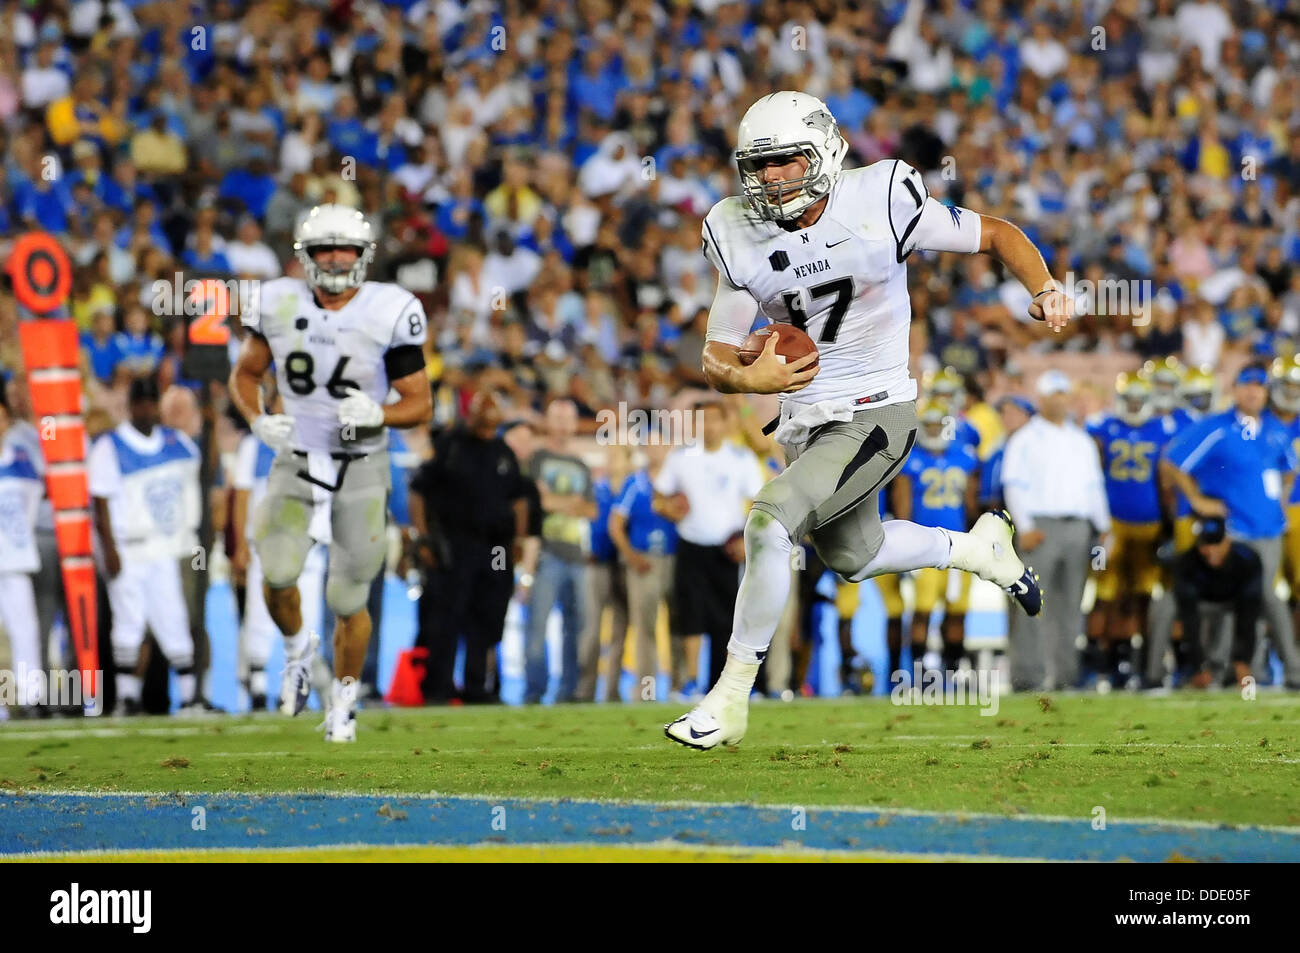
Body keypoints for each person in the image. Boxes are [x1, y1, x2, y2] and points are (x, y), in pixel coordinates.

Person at [666, 92, 1070, 749]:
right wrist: (744, 377)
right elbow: (715, 349)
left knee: (770, 520)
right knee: (855, 554)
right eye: (758, 166)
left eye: (786, 162)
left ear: (823, 153)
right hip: (804, 418)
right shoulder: (734, 227)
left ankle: (730, 698)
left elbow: (993, 233)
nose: (770, 179)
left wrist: (1045, 285)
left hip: (877, 409)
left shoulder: (884, 196)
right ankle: (976, 550)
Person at [228, 204, 433, 741]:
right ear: (306, 256)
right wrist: (257, 418)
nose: (337, 259)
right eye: (325, 249)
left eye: (346, 249)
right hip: (297, 452)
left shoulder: (392, 309)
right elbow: (246, 375)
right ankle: (298, 653)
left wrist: (379, 413)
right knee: (273, 571)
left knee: (348, 597)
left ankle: (342, 703)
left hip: (361, 460)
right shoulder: (275, 300)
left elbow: (421, 404)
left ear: (364, 255)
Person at [1163, 362, 1300, 687]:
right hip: (1234, 531)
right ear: (1235, 390)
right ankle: (1243, 670)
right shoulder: (1217, 427)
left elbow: (1288, 468)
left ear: (1267, 392)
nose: (1254, 391)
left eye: (1259, 386)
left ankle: (1243, 669)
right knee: (1247, 599)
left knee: (1258, 599)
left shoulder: (1275, 429)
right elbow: (1172, 460)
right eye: (1247, 385)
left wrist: (1279, 503)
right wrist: (1197, 500)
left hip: (1269, 531)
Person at [88, 376, 203, 715]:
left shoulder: (175, 441)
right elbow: (101, 502)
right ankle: (126, 696)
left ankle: (189, 696)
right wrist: (109, 549)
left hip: (163, 545)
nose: (148, 409)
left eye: (153, 402)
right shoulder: (110, 446)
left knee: (173, 617)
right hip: (126, 545)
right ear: (132, 406)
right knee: (129, 620)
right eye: (142, 403)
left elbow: (198, 469)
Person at [408, 389, 528, 703]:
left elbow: (519, 500)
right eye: (483, 422)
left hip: (497, 550)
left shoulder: (504, 451)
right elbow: (417, 492)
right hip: (456, 544)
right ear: (471, 417)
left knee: (488, 616)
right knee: (447, 617)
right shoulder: (449, 446)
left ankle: (478, 687)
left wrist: (518, 540)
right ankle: (438, 687)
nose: (488, 430)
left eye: (493, 424)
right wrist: (422, 538)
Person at [1000, 370, 1111, 691]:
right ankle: (1027, 676)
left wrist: (1103, 528)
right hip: (1041, 527)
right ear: (1043, 398)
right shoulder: (1024, 438)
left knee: (1071, 605)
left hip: (1078, 528)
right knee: (1029, 604)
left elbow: (1094, 487)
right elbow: (1013, 485)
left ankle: (1065, 675)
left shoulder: (1082, 440)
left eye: (1064, 394)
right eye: (1054, 394)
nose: (1061, 400)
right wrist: (1025, 526)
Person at [654, 399, 765, 697]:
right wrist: (669, 509)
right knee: (690, 615)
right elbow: (659, 498)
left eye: (714, 420)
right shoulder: (680, 458)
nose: (709, 426)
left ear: (726, 422)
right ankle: (690, 680)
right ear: (693, 424)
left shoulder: (741, 458)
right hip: (690, 544)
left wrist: (746, 542)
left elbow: (759, 504)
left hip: (726, 549)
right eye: (702, 420)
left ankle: (720, 682)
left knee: (726, 619)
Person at [1085, 372, 1177, 689]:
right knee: (1106, 594)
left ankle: (1134, 658)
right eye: (1131, 399)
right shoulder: (1102, 428)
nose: (1136, 405)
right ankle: (1101, 658)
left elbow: (1166, 482)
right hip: (1111, 526)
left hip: (1149, 526)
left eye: (1140, 400)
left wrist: (1169, 524)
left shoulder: (1163, 429)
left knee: (1142, 595)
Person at [892, 398, 980, 675]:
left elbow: (972, 505)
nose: (932, 430)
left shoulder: (964, 455)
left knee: (958, 612)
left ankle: (953, 670)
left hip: (959, 546)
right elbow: (902, 508)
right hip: (925, 546)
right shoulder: (912, 459)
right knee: (922, 611)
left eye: (937, 424)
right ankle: (919, 672)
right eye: (927, 424)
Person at [520, 397, 596, 703]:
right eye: (558, 418)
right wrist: (570, 504)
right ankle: (534, 691)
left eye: (569, 419)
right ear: (547, 423)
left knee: (575, 629)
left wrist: (555, 501)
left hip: (577, 555)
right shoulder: (535, 459)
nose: (564, 426)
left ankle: (569, 692)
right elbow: (536, 503)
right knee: (537, 627)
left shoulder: (580, 465)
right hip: (545, 553)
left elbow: (591, 510)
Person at [608, 441, 677, 701]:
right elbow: (615, 525)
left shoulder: (676, 481)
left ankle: (678, 688)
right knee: (645, 628)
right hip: (644, 560)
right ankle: (646, 691)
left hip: (674, 558)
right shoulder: (634, 483)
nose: (656, 450)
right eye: (651, 445)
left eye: (661, 444)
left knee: (678, 626)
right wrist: (631, 556)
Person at [1163, 517, 1263, 689]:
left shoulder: (1247, 559)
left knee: (1264, 609)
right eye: (1206, 544)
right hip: (1203, 606)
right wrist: (1199, 665)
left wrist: (1242, 660)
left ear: (1227, 541)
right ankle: (1158, 676)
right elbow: (1189, 614)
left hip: (1235, 605)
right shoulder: (1187, 562)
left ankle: (1257, 671)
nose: (1211, 550)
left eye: (1216, 543)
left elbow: (1249, 609)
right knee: (1164, 604)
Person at [0, 388, 47, 711]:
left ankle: (31, 698)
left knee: (25, 627)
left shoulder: (20, 458)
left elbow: (33, 499)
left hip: (15, 558)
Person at [576, 444, 631, 702]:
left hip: (624, 566)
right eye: (609, 457)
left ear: (627, 460)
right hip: (597, 562)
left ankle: (613, 691)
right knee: (592, 629)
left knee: (620, 630)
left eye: (616, 456)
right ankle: (586, 689)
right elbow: (586, 522)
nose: (610, 461)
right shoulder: (598, 488)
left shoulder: (633, 488)